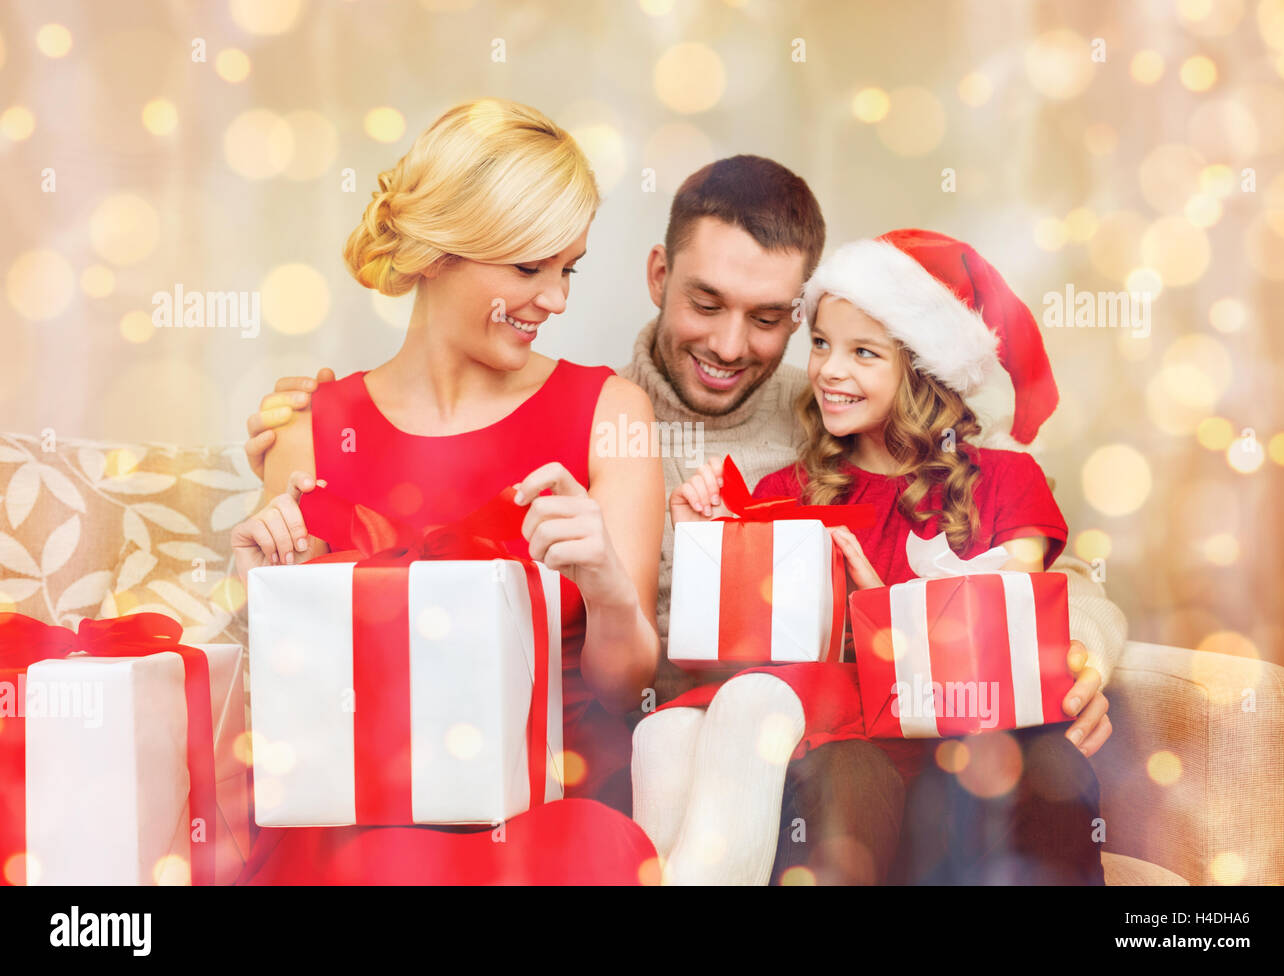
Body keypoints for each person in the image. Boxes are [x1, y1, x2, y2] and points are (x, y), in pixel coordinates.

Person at [243, 157, 1126, 885]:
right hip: (649, 739)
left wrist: (1072, 658)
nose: (734, 345)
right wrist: (314, 458)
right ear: (659, 277)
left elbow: (1008, 529)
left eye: (773, 319)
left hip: (821, 734)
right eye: (707, 304)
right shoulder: (592, 412)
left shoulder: (840, 405)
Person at [230, 97, 662, 884]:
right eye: (529, 268)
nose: (558, 300)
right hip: (368, 807)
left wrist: (604, 584)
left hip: (547, 799)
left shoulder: (610, 413)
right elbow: (294, 682)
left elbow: (625, 684)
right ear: (435, 253)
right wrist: (256, 575)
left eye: (569, 269)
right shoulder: (309, 427)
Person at [639, 230, 1108, 885]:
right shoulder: (787, 494)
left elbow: (1033, 619)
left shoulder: (1002, 480)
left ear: (923, 370)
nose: (829, 370)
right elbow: (740, 673)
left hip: (963, 759)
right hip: (843, 761)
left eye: (864, 352)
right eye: (823, 343)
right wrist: (712, 551)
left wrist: (880, 612)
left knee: (1045, 764)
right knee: (824, 765)